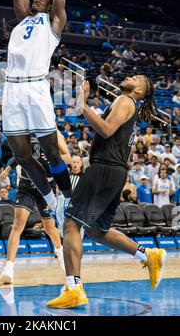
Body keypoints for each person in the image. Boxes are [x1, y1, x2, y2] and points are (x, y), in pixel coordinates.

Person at [47, 75, 166, 309]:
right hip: (115, 172)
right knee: (96, 231)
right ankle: (147, 255)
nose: (130, 77)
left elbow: (106, 129)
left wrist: (83, 107)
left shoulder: (126, 99)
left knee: (71, 224)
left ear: (140, 90)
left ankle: (74, 289)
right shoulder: (129, 105)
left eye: (136, 77)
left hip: (104, 169)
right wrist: (84, 99)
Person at [2, 0, 73, 228]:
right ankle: (52, 202)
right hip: (11, 88)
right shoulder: (23, 20)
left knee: (51, 152)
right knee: (22, 155)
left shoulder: (54, 22)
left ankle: (67, 198)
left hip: (36, 87)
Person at [0, 130, 71, 286]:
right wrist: (7, 169)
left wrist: (52, 158)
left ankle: (60, 254)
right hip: (27, 183)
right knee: (18, 224)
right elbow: (19, 154)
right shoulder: (25, 132)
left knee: (50, 228)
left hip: (46, 186)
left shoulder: (54, 133)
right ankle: (9, 268)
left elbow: (68, 158)